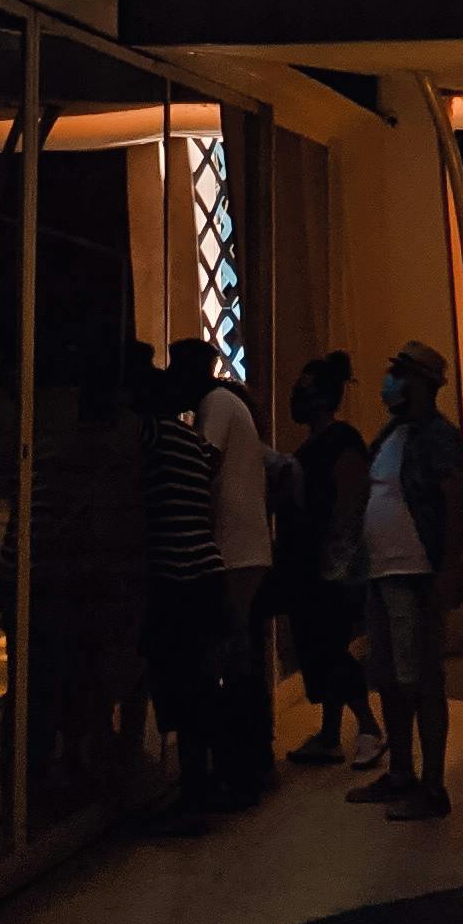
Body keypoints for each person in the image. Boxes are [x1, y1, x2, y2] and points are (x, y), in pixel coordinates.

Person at [347, 339, 463, 821]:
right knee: (390, 678)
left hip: (415, 573)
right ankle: (401, 772)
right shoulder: (392, 433)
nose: (389, 383)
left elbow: (455, 503)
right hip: (382, 572)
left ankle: (432, 785)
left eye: (398, 374)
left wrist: (450, 566)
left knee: (420, 679)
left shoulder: (439, 439)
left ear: (420, 384)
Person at [177, 335, 275, 806]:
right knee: (241, 657)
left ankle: (240, 767)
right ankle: (251, 762)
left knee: (231, 660)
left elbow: (203, 462)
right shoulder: (231, 404)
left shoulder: (215, 404)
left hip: (233, 549)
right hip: (247, 547)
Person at [275, 353, 378, 768]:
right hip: (312, 565)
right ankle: (330, 733)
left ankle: (369, 726)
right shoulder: (315, 447)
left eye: (302, 390)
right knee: (322, 648)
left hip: (329, 568)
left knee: (329, 649)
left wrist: (336, 563)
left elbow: (350, 505)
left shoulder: (340, 442)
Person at [139, 343, 225, 835]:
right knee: (200, 686)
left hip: (175, 578)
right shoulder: (194, 443)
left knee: (177, 685)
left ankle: (189, 797)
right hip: (206, 575)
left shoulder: (152, 436)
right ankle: (198, 785)